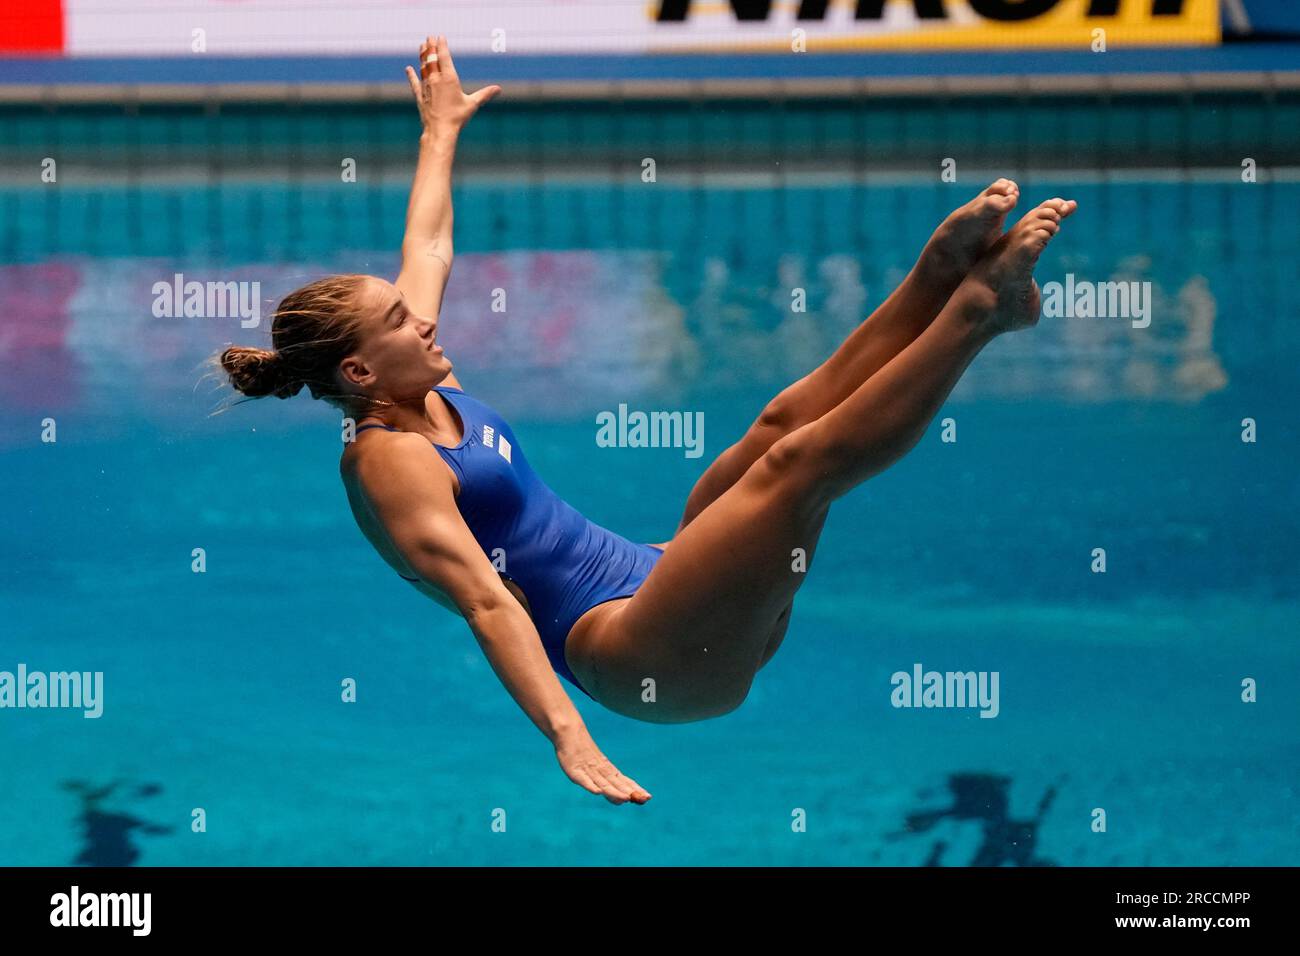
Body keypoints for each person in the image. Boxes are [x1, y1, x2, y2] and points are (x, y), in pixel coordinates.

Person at [215, 36, 1076, 805]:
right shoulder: (386, 462)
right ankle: (979, 315)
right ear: (360, 370)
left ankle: (934, 279)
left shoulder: (419, 383)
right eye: (399, 322)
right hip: (644, 657)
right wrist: (567, 733)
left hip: (657, 578)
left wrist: (439, 134)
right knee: (797, 469)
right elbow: (484, 602)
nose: (425, 318)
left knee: (776, 429)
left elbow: (430, 246)